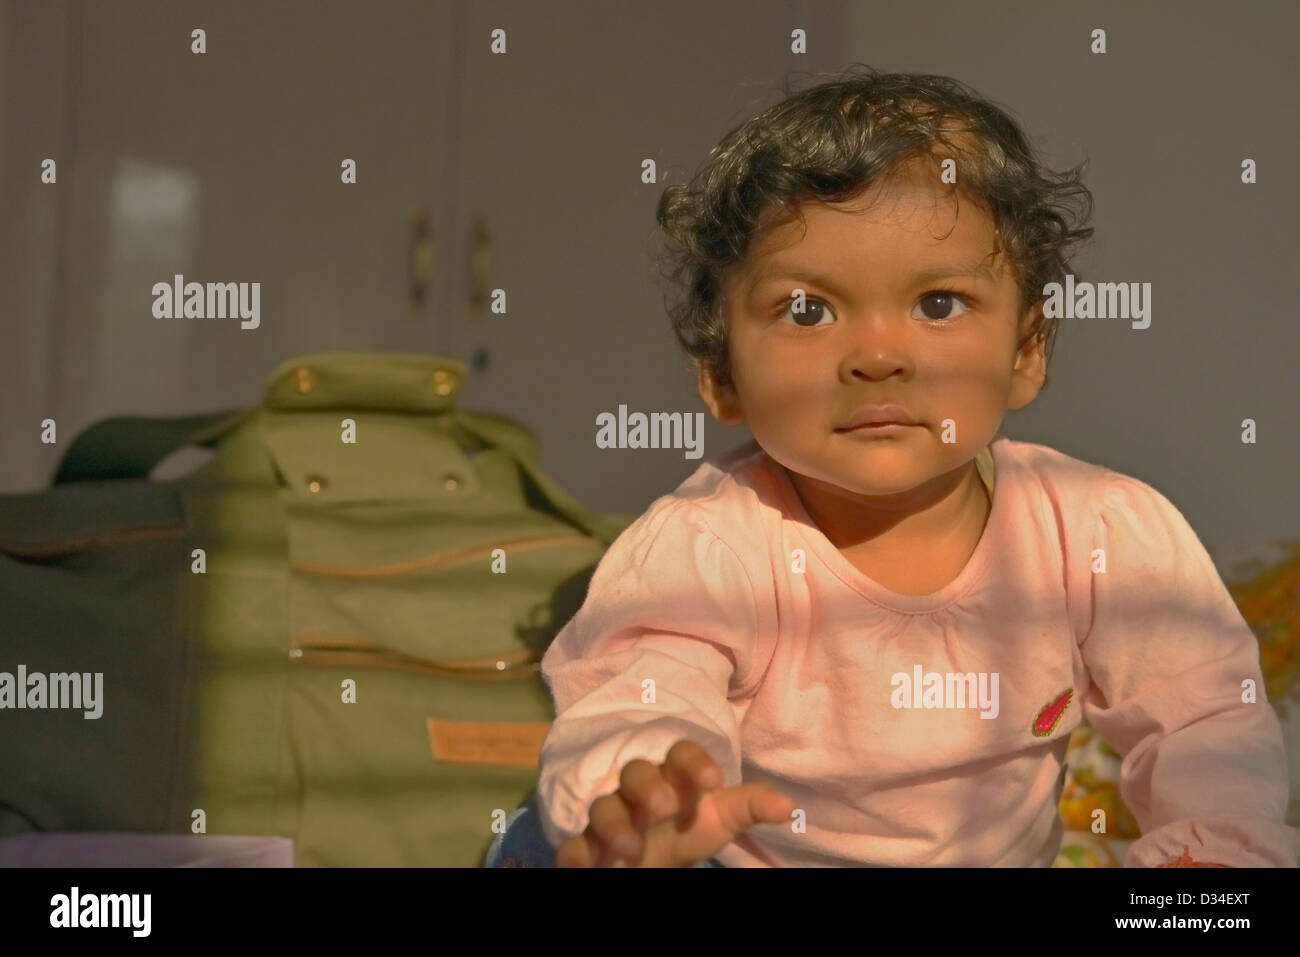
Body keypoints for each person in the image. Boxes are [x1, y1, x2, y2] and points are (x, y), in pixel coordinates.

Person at [522, 66, 1298, 868]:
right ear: (721, 374)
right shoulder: (709, 548)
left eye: (937, 304)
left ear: (1028, 350)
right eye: (807, 310)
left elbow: (1205, 718)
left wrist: (1210, 858)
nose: (879, 357)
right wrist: (643, 789)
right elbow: (643, 685)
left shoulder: (1097, 533)